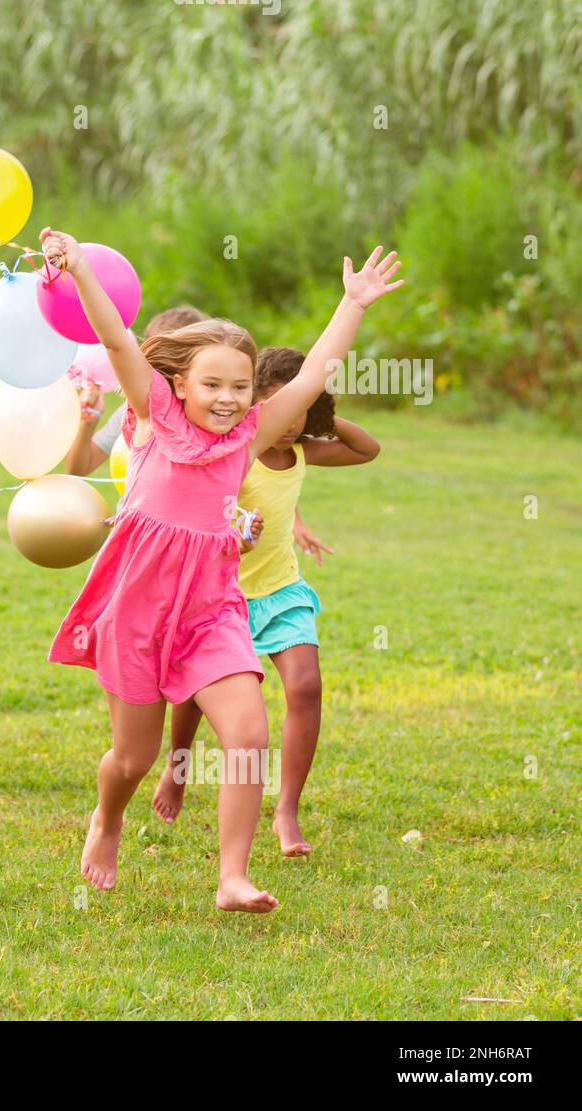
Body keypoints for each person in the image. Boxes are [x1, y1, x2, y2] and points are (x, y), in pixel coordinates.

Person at [42, 227, 403, 912]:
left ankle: (233, 875)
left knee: (247, 730)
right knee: (132, 758)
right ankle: (107, 819)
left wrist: (352, 306)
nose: (230, 398)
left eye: (241, 386)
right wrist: (81, 265)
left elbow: (313, 374)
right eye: (213, 384)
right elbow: (118, 338)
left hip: (212, 605)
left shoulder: (252, 434)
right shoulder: (155, 415)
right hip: (140, 603)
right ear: (179, 382)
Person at [153, 346, 381, 858]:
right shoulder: (236, 450)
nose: (286, 422)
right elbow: (206, 500)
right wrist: (237, 525)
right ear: (256, 404)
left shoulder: (302, 450)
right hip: (220, 592)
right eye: (276, 408)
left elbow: (368, 450)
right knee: (190, 696)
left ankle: (287, 810)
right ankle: (178, 766)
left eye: (297, 410)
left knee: (306, 686)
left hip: (280, 591)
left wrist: (319, 413)